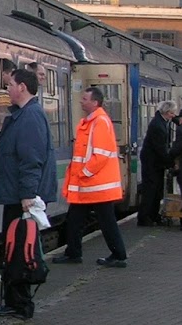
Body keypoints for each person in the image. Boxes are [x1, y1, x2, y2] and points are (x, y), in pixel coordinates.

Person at [0, 68, 58, 321]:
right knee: (14, 248)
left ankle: (20, 304)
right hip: (16, 194)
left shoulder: (30, 118)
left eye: (10, 85)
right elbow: (18, 154)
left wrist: (28, 195)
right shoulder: (22, 117)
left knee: (19, 251)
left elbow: (31, 160)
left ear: (22, 87)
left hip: (21, 197)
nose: (7, 90)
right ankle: (14, 302)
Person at [55, 86, 128, 267]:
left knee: (105, 221)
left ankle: (118, 255)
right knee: (76, 219)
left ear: (95, 103)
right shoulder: (92, 121)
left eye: (85, 99)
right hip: (91, 184)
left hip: (95, 184)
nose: (81, 101)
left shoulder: (99, 122)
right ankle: (73, 252)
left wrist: (83, 173)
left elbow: (101, 155)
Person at [135, 101, 174, 227]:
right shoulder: (158, 126)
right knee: (151, 190)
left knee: (155, 190)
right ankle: (145, 217)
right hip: (152, 164)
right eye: (172, 113)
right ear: (167, 112)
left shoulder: (160, 121)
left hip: (153, 162)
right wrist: (170, 161)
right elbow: (160, 149)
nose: (173, 116)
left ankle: (152, 215)